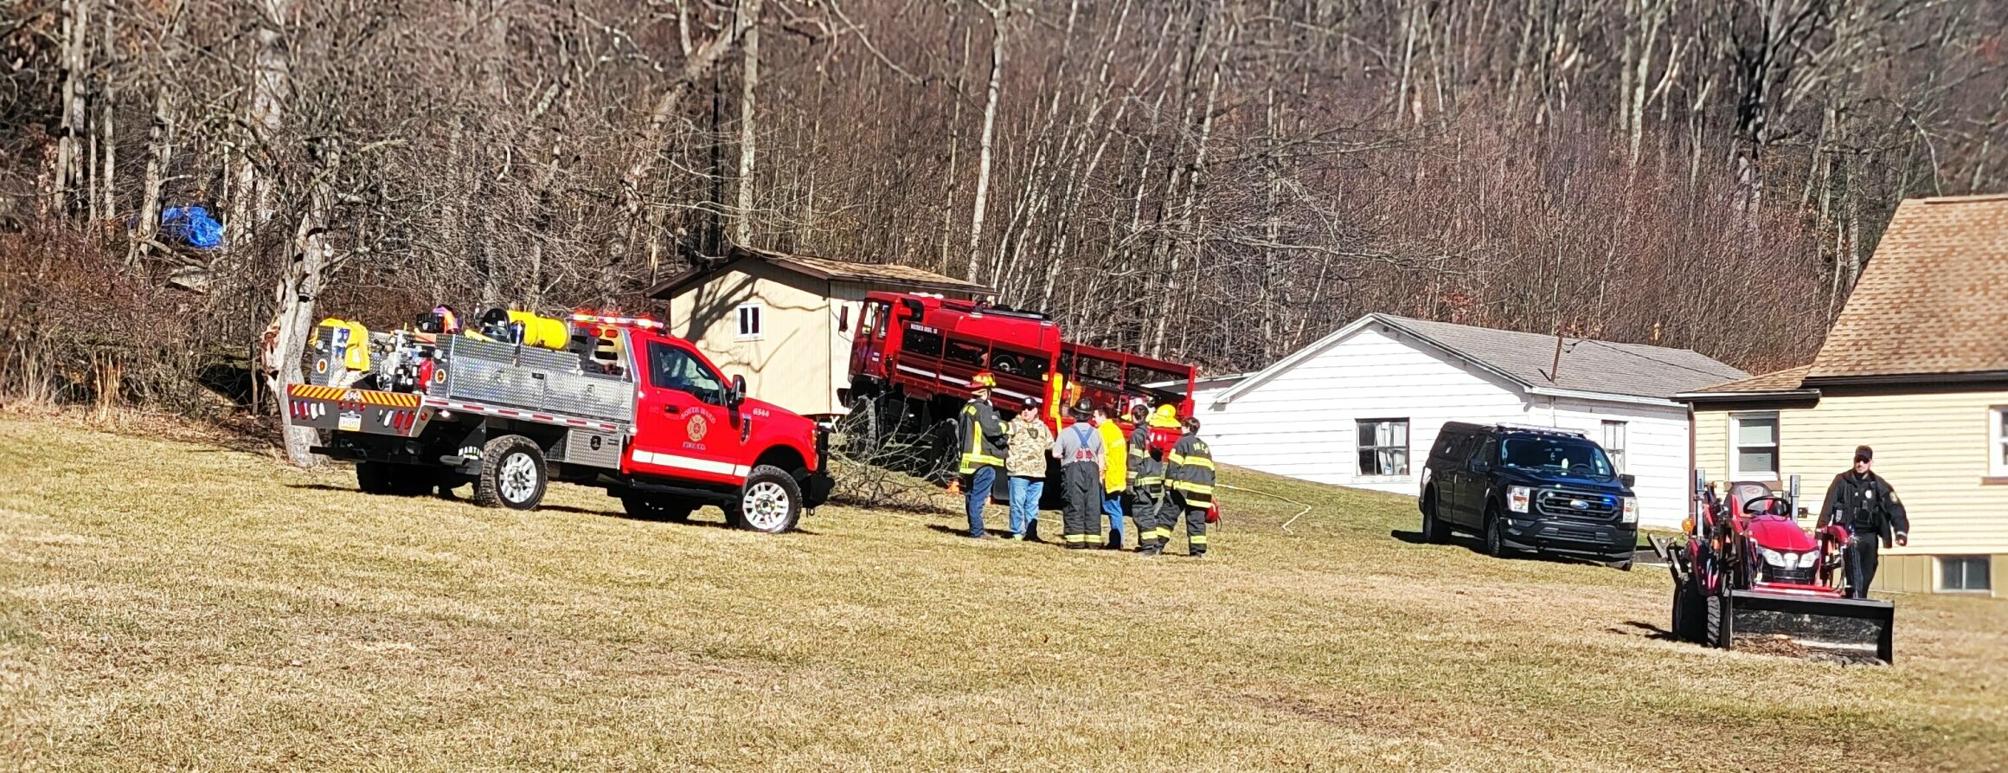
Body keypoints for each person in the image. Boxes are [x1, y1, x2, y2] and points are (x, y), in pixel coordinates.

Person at [1818, 445, 1909, 598]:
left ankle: (1857, 597)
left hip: (1870, 534)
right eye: (1858, 460)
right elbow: (1828, 506)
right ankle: (1856, 598)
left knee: (1869, 568)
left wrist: (1901, 532)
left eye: (1864, 461)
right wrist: (1821, 531)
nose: (1860, 464)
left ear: (1870, 462)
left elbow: (1895, 507)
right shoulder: (1841, 481)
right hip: (1849, 534)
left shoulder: (1878, 484)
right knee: (1854, 571)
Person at [1152, 416, 1216, 558]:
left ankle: (1157, 546)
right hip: (1202, 491)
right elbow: (1211, 471)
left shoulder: (1182, 442)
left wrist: (1168, 487)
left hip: (1183, 489)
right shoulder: (1205, 447)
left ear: (1186, 427)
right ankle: (1197, 552)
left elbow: (1173, 466)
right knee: (1197, 522)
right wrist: (1209, 489)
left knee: (1167, 517)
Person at [957, 372, 1009, 539]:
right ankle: (977, 531)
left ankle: (974, 528)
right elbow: (993, 429)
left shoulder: (966, 409)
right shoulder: (982, 409)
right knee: (978, 497)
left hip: (968, 462)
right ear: (986, 392)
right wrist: (1008, 428)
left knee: (970, 495)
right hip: (982, 461)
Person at [1055, 398, 1106, 549]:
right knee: (1092, 504)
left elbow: (1055, 454)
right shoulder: (1097, 433)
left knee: (1074, 502)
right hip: (1093, 470)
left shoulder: (1066, 432)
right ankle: (1093, 541)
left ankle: (1075, 540)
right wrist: (1100, 476)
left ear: (1075, 414)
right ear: (1090, 416)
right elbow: (1101, 457)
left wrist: (1066, 455)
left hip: (1073, 469)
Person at [1005, 398, 1054, 541]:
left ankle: (1031, 533)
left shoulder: (1042, 427)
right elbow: (1002, 441)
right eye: (1024, 408)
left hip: (1038, 474)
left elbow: (1051, 445)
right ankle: (1017, 532)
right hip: (1018, 472)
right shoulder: (1013, 425)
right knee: (1017, 503)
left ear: (1035, 410)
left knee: (1033, 504)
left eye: (1029, 409)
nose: (1026, 411)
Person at [1093, 404, 1129, 550]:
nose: (1093, 419)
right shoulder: (1116, 429)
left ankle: (1116, 541)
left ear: (1103, 416)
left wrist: (1100, 474)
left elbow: (1102, 455)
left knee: (1112, 508)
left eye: (1095, 416)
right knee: (1115, 507)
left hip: (1109, 476)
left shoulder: (1102, 431)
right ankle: (1117, 540)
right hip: (1118, 474)